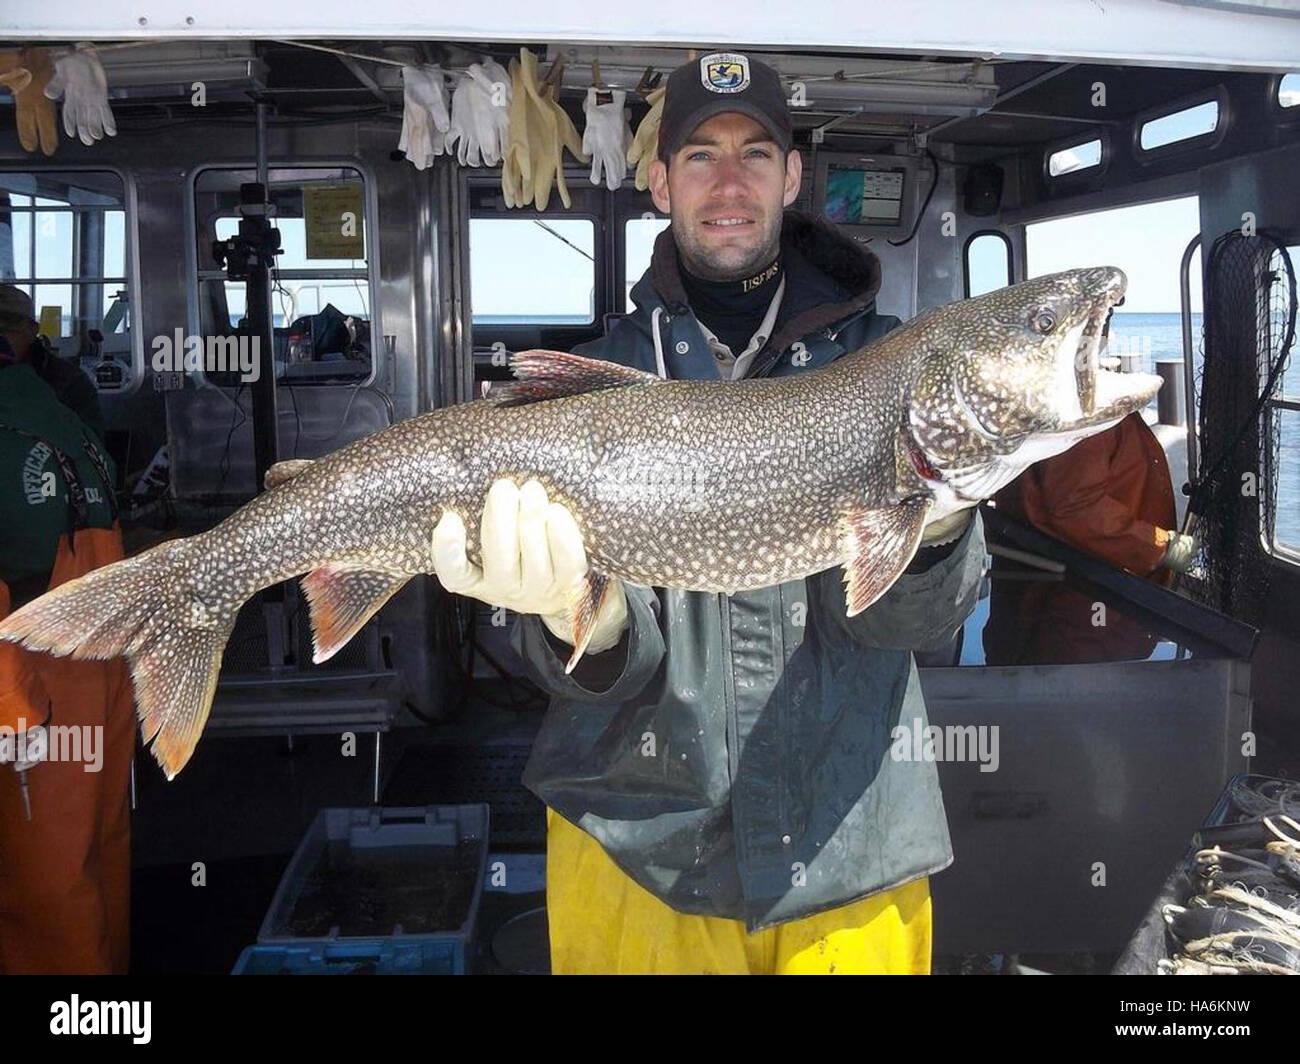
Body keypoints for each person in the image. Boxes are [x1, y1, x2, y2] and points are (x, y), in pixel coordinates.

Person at [432, 53, 984, 974]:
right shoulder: (599, 377)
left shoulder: (898, 372)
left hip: (852, 839)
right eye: (700, 157)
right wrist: (589, 618)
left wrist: (935, 525)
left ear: (792, 178)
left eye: (756, 155)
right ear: (658, 183)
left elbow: (918, 624)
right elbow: (588, 672)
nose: (729, 184)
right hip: (638, 846)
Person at [0, 284, 134, 974]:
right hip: (94, 663)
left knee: (43, 882)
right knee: (93, 849)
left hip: (28, 682)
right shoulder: (53, 408)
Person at [993, 410, 1196, 582]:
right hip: (1083, 596)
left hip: (1050, 580)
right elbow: (1076, 508)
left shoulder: (1046, 404)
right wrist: (1161, 547)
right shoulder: (1082, 414)